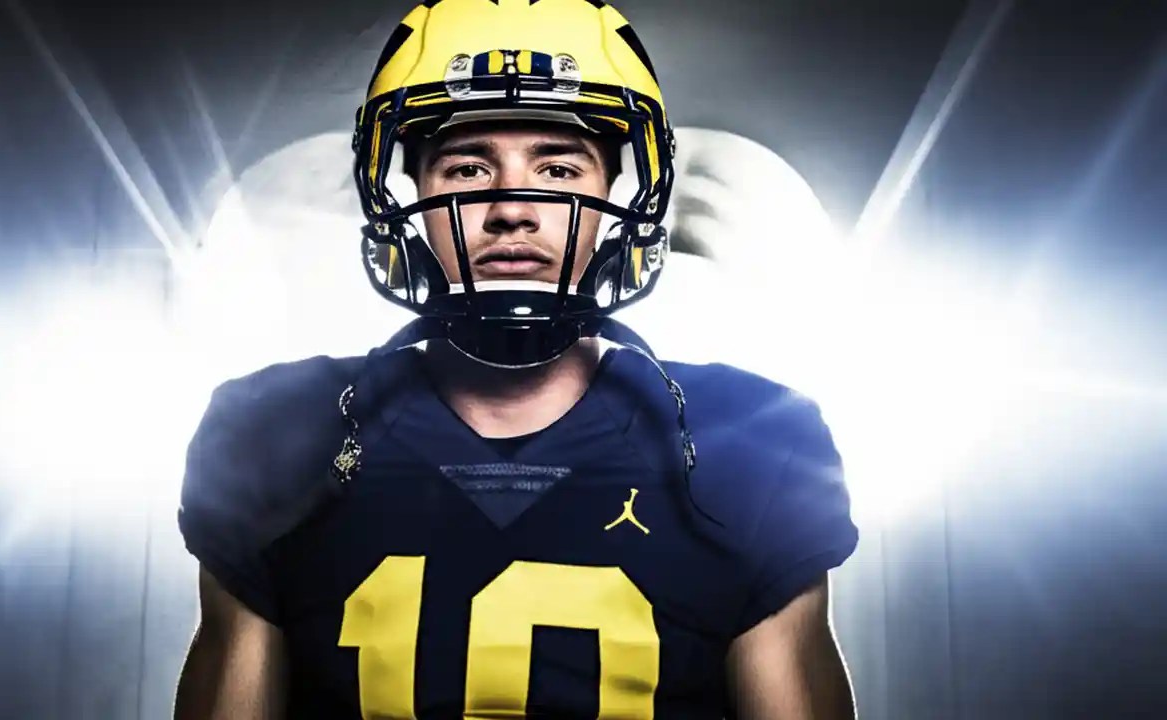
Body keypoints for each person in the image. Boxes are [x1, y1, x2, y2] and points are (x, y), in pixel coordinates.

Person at [174, 0, 860, 717]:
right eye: (468, 168)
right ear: (408, 194)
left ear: (614, 197)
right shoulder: (274, 431)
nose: (513, 206)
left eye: (559, 167)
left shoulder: (749, 440)